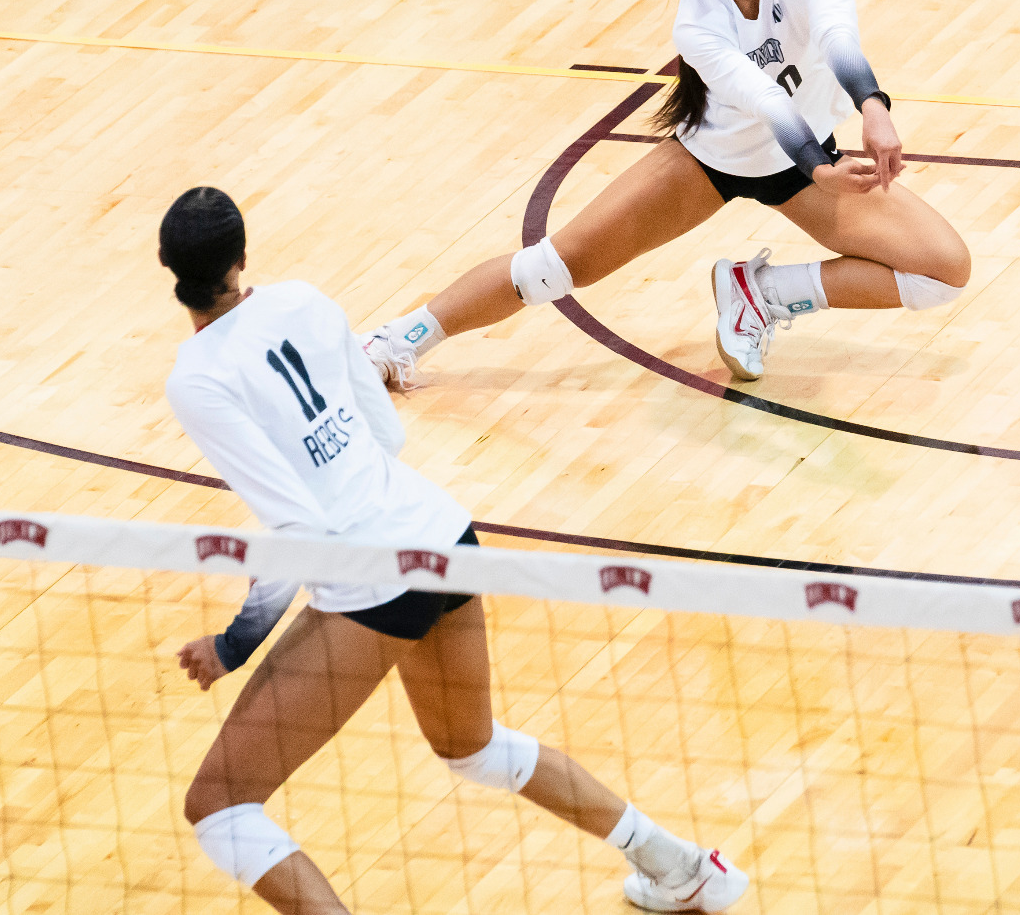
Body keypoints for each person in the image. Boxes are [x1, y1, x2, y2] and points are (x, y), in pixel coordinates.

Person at [160, 187, 748, 912]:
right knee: (472, 747)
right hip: (443, 536)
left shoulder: (198, 378)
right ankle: (682, 865)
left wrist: (235, 641)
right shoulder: (304, 300)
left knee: (220, 807)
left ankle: (681, 867)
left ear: (170, 269)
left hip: (372, 583)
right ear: (241, 257)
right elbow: (387, 435)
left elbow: (298, 530)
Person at [359, 0, 970, 389]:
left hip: (804, 165)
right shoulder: (698, 19)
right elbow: (764, 99)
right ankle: (395, 343)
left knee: (944, 272)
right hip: (711, 164)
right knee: (554, 266)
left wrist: (873, 107)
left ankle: (764, 294)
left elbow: (839, 37)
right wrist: (819, 167)